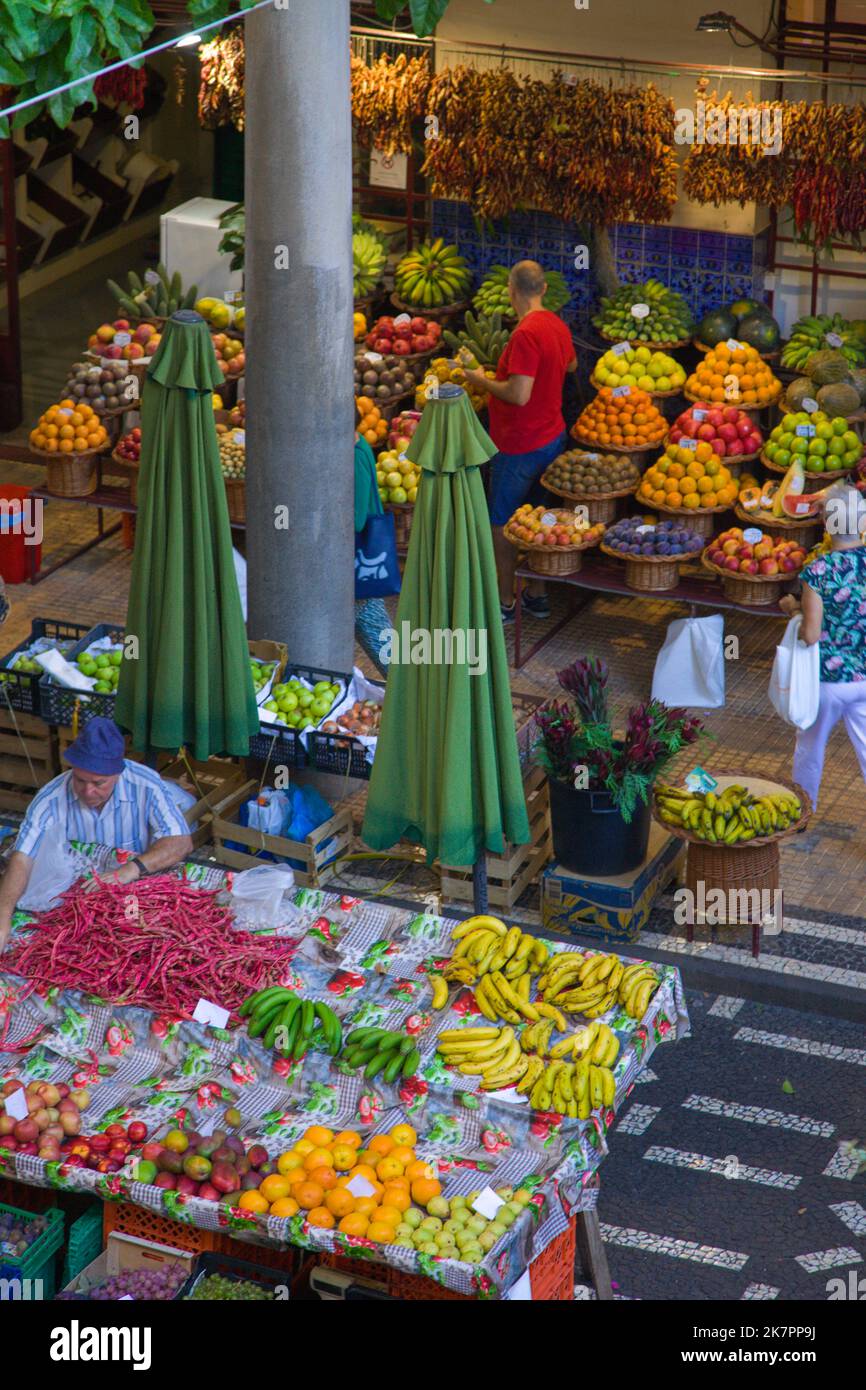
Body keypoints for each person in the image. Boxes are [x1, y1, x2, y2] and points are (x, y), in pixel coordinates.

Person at [0, 717, 193, 951]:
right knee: (69, 945)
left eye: (99, 783)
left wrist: (130, 870)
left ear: (118, 772)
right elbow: (22, 857)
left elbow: (181, 841)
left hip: (133, 888)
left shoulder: (146, 785)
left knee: (136, 937)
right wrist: (3, 916)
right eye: (80, 780)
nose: (88, 791)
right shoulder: (50, 799)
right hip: (76, 894)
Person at [463, 260, 577, 622]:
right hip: (552, 436)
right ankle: (537, 596)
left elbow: (519, 394)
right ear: (543, 289)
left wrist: (479, 378)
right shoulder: (557, 324)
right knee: (538, 519)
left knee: (502, 523)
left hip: (520, 443)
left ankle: (504, 601)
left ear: (512, 292)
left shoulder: (526, 334)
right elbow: (571, 366)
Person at [780, 482, 866, 808]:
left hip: (828, 682)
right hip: (865, 680)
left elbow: (811, 635)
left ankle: (803, 810)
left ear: (828, 526)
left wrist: (793, 610)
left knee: (810, 749)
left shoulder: (818, 571)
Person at [354, 405, 393, 677]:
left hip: (358, 561)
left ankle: (412, 694)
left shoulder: (354, 457)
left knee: (380, 638)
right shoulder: (360, 445)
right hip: (361, 563)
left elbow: (355, 520)